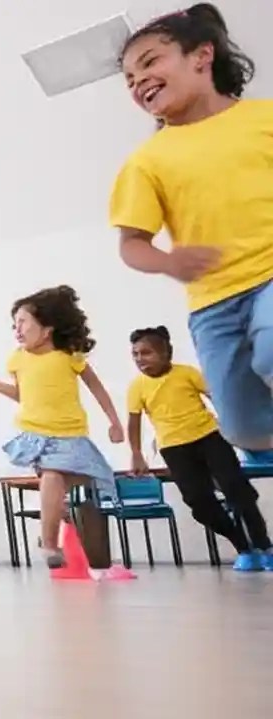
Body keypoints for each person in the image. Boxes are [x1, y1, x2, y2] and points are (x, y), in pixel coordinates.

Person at [111, 4, 273, 466]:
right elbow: (131, 243)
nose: (138, 81)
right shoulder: (148, 161)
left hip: (270, 274)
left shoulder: (264, 120)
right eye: (127, 78)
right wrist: (167, 261)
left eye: (150, 62)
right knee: (244, 427)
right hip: (213, 305)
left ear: (202, 56)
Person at [0, 286, 123, 569]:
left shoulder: (69, 357)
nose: (16, 329)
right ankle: (50, 543)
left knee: (79, 481)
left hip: (71, 434)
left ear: (46, 329)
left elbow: (98, 389)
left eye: (23, 322)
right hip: (37, 433)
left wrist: (114, 421)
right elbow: (21, 395)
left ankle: (59, 515)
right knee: (52, 476)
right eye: (14, 324)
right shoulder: (17, 358)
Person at [127, 326, 273, 571]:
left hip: (209, 438)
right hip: (174, 448)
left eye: (147, 353)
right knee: (199, 502)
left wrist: (235, 425)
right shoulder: (137, 387)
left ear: (165, 353)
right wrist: (136, 453)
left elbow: (218, 397)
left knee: (236, 490)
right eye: (136, 354)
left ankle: (265, 546)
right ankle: (244, 548)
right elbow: (134, 421)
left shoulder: (187, 374)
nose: (140, 359)